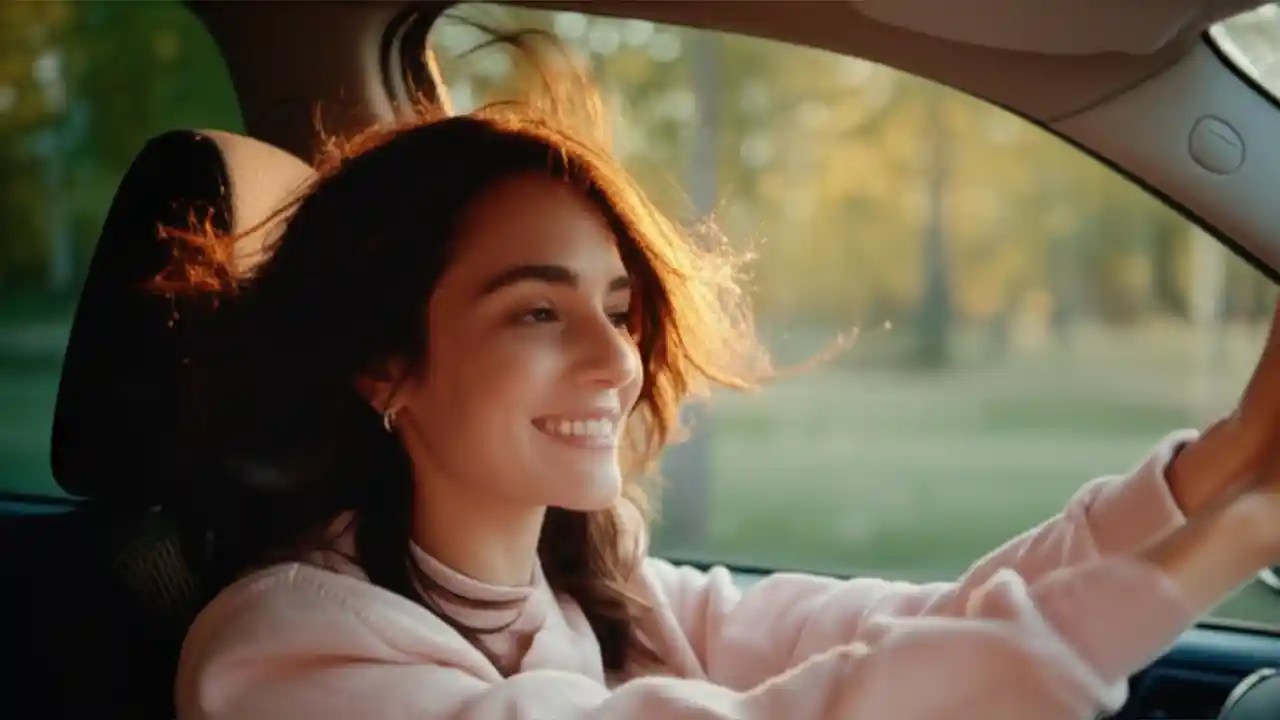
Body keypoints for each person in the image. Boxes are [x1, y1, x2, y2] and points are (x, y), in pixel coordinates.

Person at [158, 44, 1280, 720]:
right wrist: (1221, 552)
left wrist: (1227, 459)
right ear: (382, 362)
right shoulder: (284, 656)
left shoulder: (610, 592)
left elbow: (928, 629)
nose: (616, 362)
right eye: (537, 312)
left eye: (617, 309)